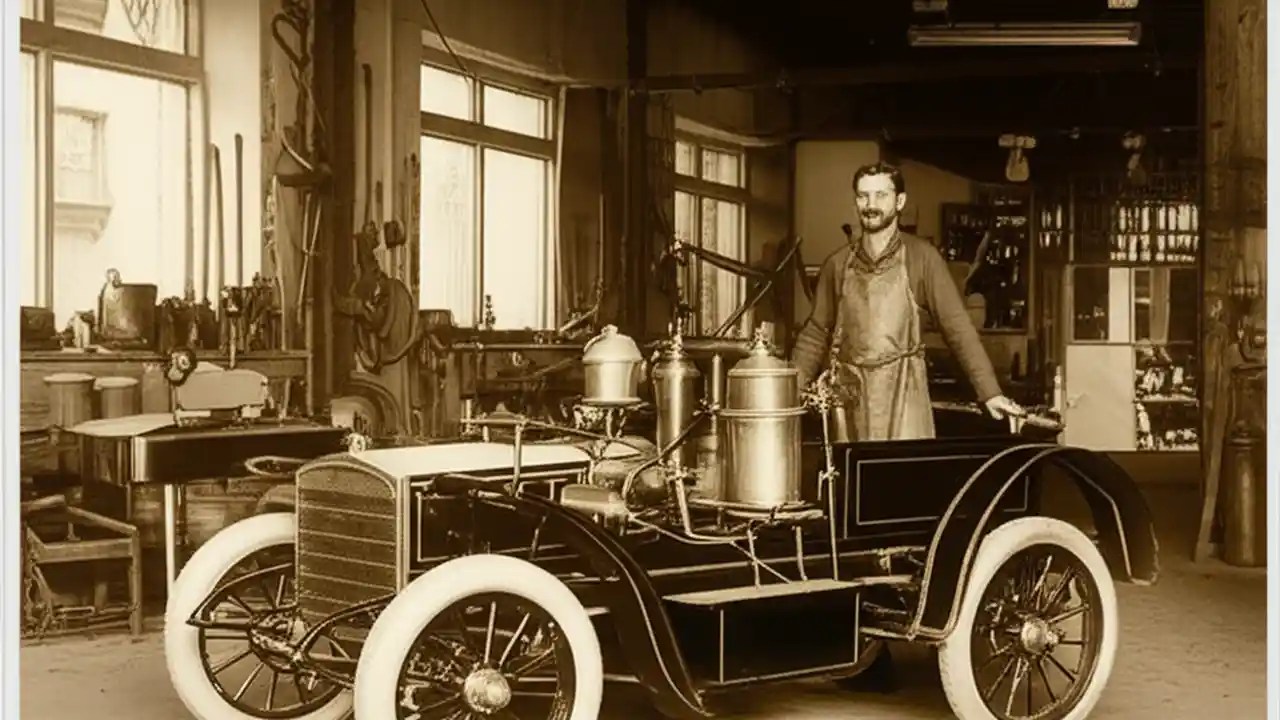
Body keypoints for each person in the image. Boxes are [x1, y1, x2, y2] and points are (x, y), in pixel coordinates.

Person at [792, 162, 1023, 440]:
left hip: (904, 396)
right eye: (863, 196)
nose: (871, 205)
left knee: (904, 466)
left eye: (881, 195)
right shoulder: (838, 265)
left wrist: (990, 392)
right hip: (851, 401)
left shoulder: (922, 259)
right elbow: (816, 333)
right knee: (853, 467)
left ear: (899, 201)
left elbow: (957, 327)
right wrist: (788, 392)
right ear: (855, 202)